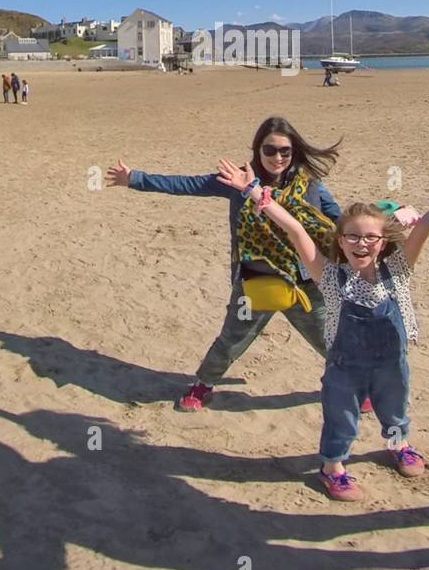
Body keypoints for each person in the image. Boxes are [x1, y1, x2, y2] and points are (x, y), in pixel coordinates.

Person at [246, 170, 429, 499]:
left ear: (383, 242)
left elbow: (424, 226)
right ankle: (332, 468)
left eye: (369, 237)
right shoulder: (328, 275)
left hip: (392, 363)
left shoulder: (398, 269)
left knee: (395, 409)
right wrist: (255, 192)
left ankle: (399, 445)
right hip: (344, 368)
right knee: (341, 417)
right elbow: (295, 230)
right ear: (340, 241)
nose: (360, 243)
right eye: (351, 237)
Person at [106, 116, 348, 411]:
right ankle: (203, 385)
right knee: (232, 339)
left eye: (285, 151)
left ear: (294, 152)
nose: (278, 157)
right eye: (269, 150)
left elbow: (338, 221)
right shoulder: (240, 182)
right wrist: (134, 178)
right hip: (257, 277)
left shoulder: (311, 186)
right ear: (258, 150)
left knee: (330, 339)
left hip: (304, 280)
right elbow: (187, 185)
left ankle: (351, 381)